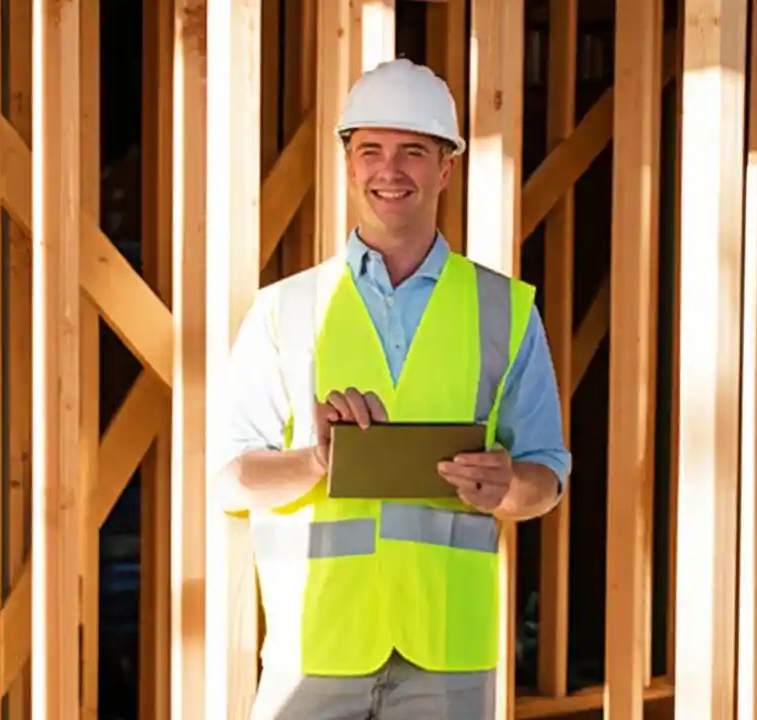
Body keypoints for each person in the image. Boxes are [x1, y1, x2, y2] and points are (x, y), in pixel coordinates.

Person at [217, 57, 571, 720]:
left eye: (413, 151)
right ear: (348, 163)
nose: (390, 170)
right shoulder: (283, 310)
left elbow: (547, 475)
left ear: (446, 167)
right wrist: (315, 461)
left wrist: (508, 487)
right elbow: (233, 480)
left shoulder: (507, 311)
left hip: (447, 659)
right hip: (314, 650)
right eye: (371, 149)